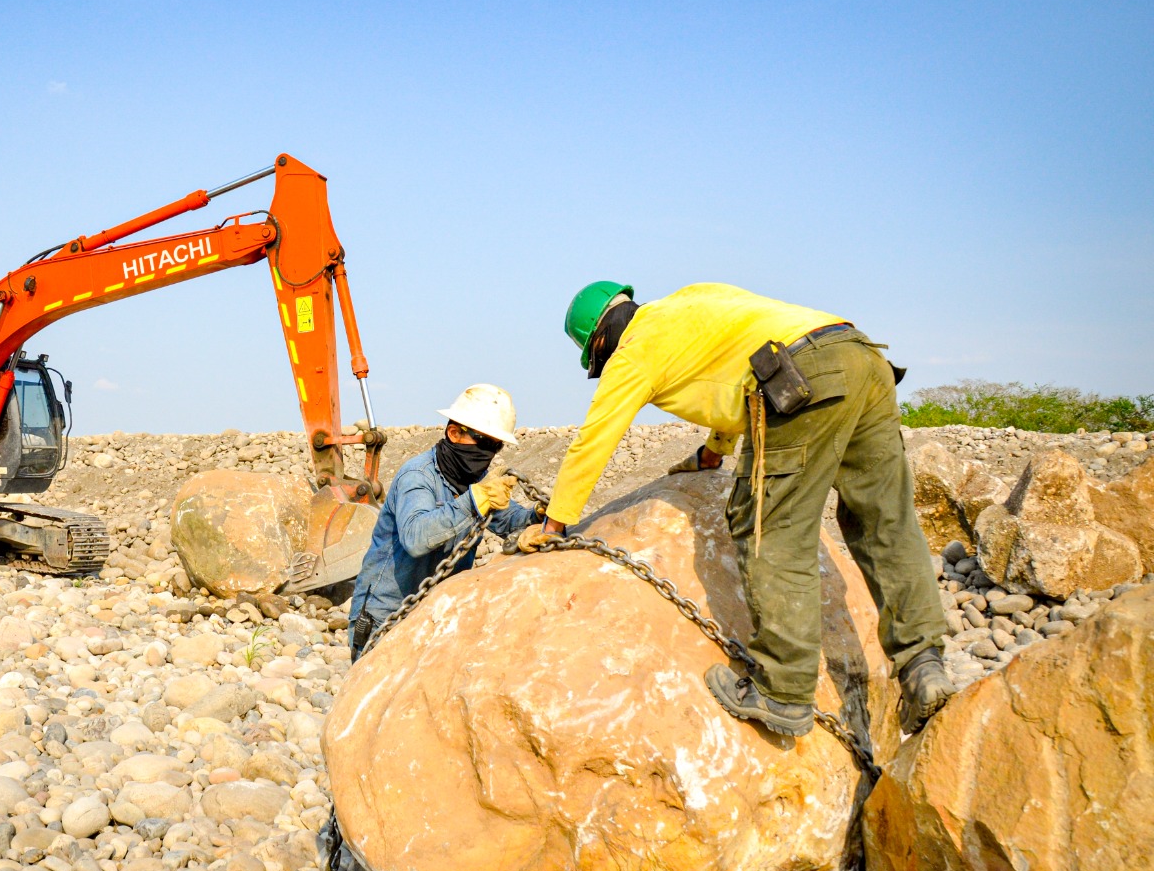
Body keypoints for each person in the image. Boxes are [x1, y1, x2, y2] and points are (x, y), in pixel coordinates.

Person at [521, 281, 956, 736]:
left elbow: (595, 439)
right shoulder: (691, 300)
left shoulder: (634, 349)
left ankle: (783, 690)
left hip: (802, 373)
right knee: (883, 520)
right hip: (861, 355)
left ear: (602, 339)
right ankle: (923, 664)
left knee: (772, 527)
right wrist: (713, 452)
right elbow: (737, 373)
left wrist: (555, 523)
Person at [347, 384, 542, 660]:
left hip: (436, 616)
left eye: (495, 447)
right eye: (484, 443)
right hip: (385, 618)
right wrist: (476, 500)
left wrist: (539, 516)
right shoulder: (417, 476)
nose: (488, 454)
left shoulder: (474, 480)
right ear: (454, 433)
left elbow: (510, 521)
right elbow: (416, 537)